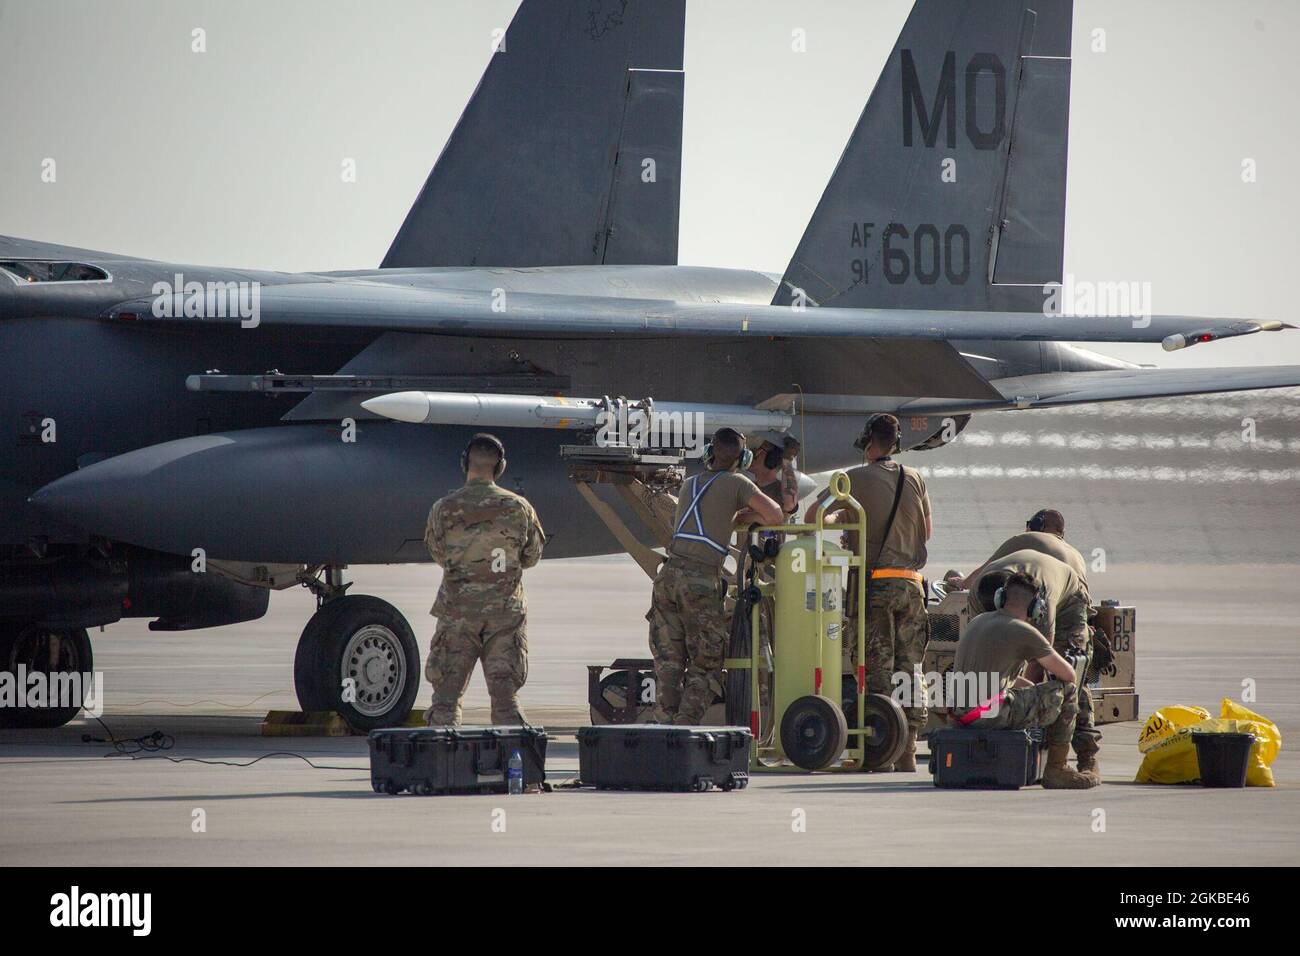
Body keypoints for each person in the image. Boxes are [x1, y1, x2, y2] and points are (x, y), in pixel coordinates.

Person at [806, 413, 931, 771]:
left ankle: (880, 751)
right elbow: (927, 531)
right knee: (911, 669)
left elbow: (814, 515)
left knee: (876, 669)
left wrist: (843, 520)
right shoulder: (916, 478)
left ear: (867, 440)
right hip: (911, 584)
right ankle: (907, 749)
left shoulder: (852, 478)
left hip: (875, 585)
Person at [648, 427, 783, 725]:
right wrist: (750, 516)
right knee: (706, 665)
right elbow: (775, 515)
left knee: (669, 663)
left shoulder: (690, 485)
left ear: (710, 453)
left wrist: (737, 517)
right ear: (743, 459)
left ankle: (662, 728)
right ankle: (684, 729)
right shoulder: (737, 483)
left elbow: (717, 518)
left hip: (668, 577)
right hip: (698, 580)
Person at [423, 433, 545, 726]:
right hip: (504, 614)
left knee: (445, 702)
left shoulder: (444, 508)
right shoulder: (519, 507)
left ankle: (442, 761)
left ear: (465, 463)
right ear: (500, 466)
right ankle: (513, 766)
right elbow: (531, 556)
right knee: (506, 702)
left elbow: (438, 553)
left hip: (457, 613)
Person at [949, 572, 1097, 788]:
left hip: (959, 716)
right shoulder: (1023, 631)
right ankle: (1057, 768)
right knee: (1068, 690)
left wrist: (1031, 689)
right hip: (991, 715)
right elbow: (1068, 675)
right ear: (1035, 607)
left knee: (1029, 694)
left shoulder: (977, 621)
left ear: (1001, 598)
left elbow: (997, 676)